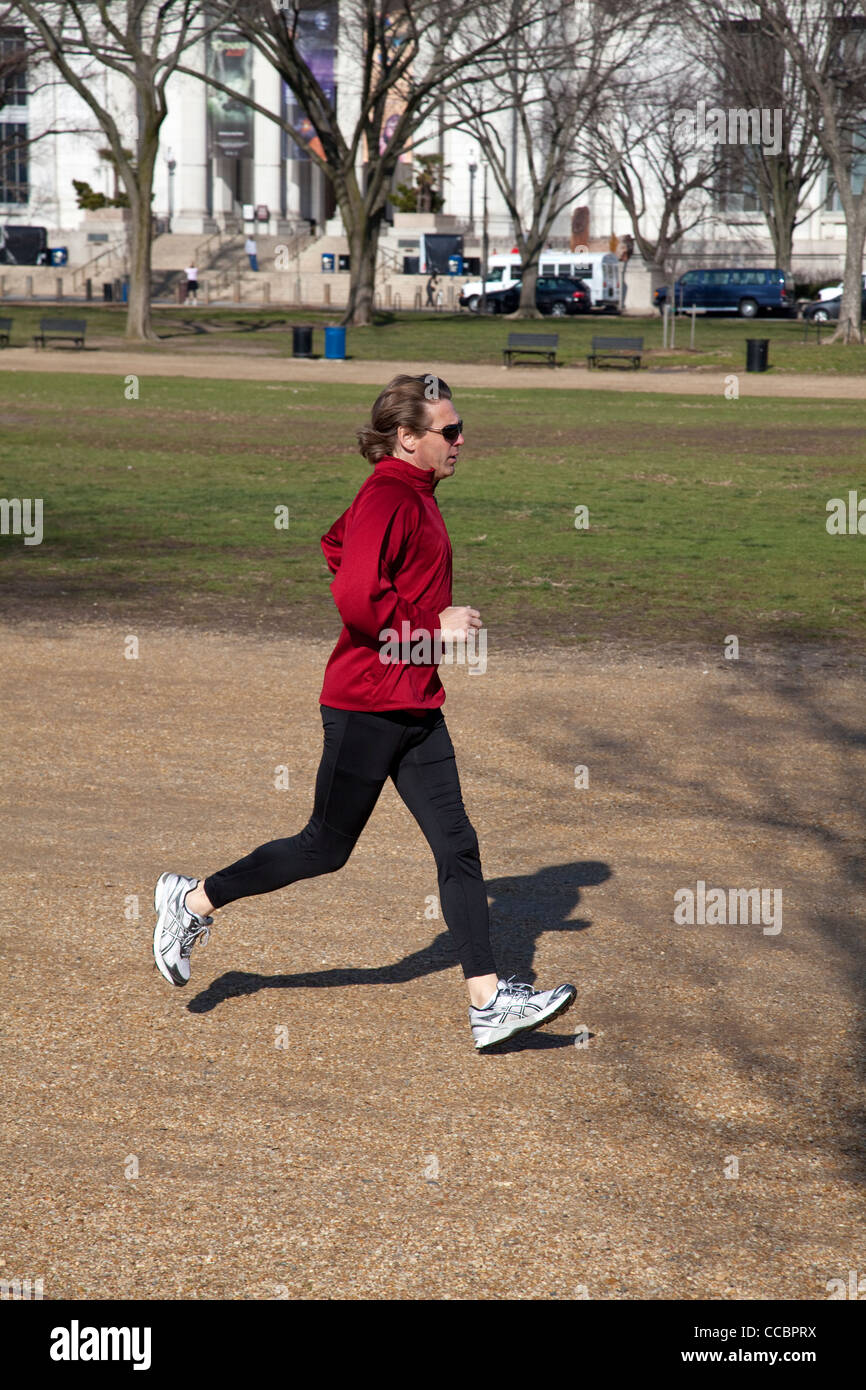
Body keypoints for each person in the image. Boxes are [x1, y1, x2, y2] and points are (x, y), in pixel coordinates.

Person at [152, 373, 576, 1052]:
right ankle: (193, 900)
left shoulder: (413, 493)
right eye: (450, 430)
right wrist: (431, 626)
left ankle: (489, 1001)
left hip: (415, 703)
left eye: (460, 428)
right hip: (366, 702)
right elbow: (354, 596)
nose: (462, 440)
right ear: (407, 437)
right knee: (325, 847)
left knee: (457, 845)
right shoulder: (389, 493)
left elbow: (334, 545)